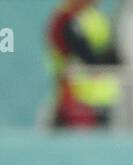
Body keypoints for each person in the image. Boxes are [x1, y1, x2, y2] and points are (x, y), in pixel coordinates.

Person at [47, 0, 121, 128]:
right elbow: (84, 53)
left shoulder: (94, 18)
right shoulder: (66, 19)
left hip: (100, 95)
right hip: (76, 96)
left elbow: (112, 53)